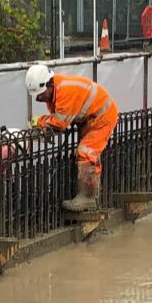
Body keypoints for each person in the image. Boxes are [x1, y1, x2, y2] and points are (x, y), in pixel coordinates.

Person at [27, 64, 118, 211]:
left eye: (41, 94)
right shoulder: (55, 91)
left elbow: (60, 122)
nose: (39, 98)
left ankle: (88, 198)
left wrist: (40, 121)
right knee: (86, 154)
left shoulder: (64, 92)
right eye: (37, 96)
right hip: (91, 119)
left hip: (102, 118)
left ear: (50, 84)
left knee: (86, 152)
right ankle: (89, 195)